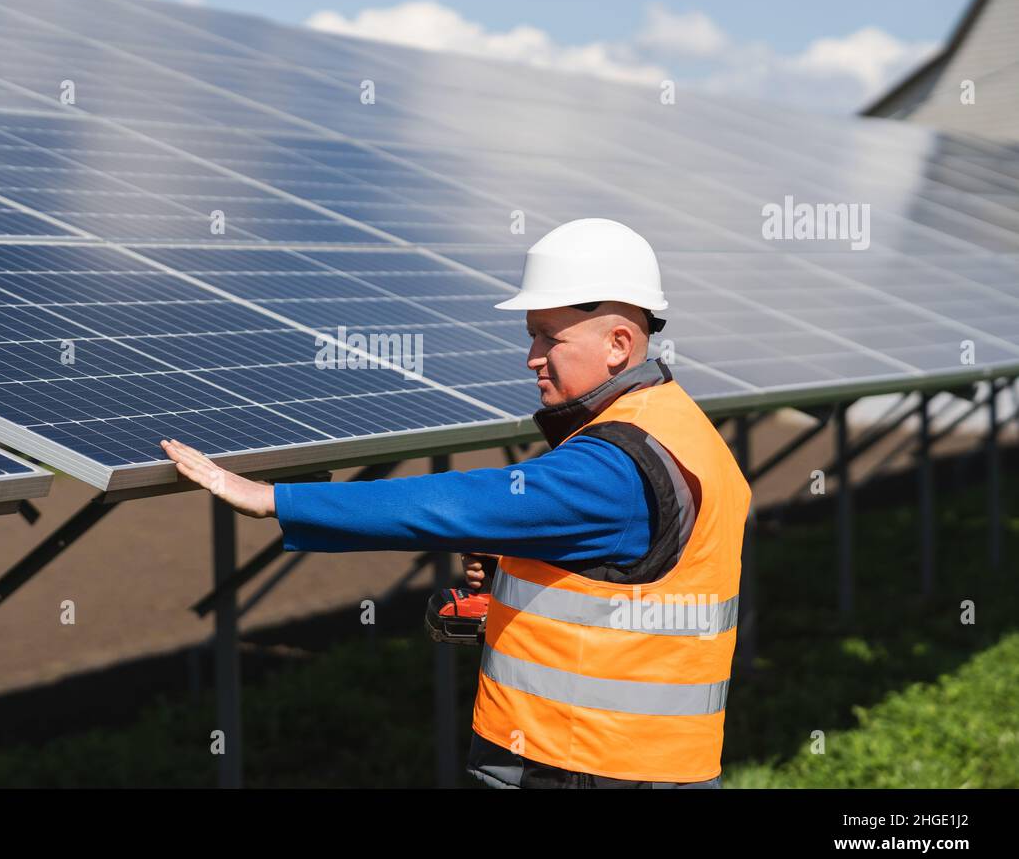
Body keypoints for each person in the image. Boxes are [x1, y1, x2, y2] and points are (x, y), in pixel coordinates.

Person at [161, 218, 752, 788]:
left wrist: (275, 499)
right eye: (530, 336)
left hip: (589, 765)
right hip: (648, 762)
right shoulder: (680, 427)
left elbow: (453, 502)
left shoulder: (613, 466)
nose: (532, 357)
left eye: (551, 337)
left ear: (619, 344)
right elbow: (635, 575)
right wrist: (522, 569)